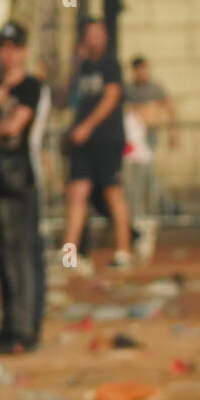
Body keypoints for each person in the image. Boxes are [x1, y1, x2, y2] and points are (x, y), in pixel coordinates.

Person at [0, 22, 50, 354]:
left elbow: (14, 126)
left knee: (24, 256)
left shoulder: (33, 87)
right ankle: (7, 325)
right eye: (0, 48)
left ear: (22, 50)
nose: (6, 54)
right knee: (2, 256)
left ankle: (26, 327)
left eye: (12, 47)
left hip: (23, 181)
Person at [62, 18, 133, 270]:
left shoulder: (110, 64)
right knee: (77, 193)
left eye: (97, 33)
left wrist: (87, 126)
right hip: (82, 142)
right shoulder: (81, 67)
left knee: (112, 192)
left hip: (106, 138)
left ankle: (124, 250)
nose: (93, 38)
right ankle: (69, 254)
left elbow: (111, 97)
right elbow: (68, 99)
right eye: (88, 33)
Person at [126, 56, 179, 150]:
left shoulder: (155, 88)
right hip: (134, 134)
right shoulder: (129, 89)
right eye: (138, 69)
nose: (141, 72)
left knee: (149, 162)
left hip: (151, 133)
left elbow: (171, 109)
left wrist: (173, 134)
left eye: (143, 68)